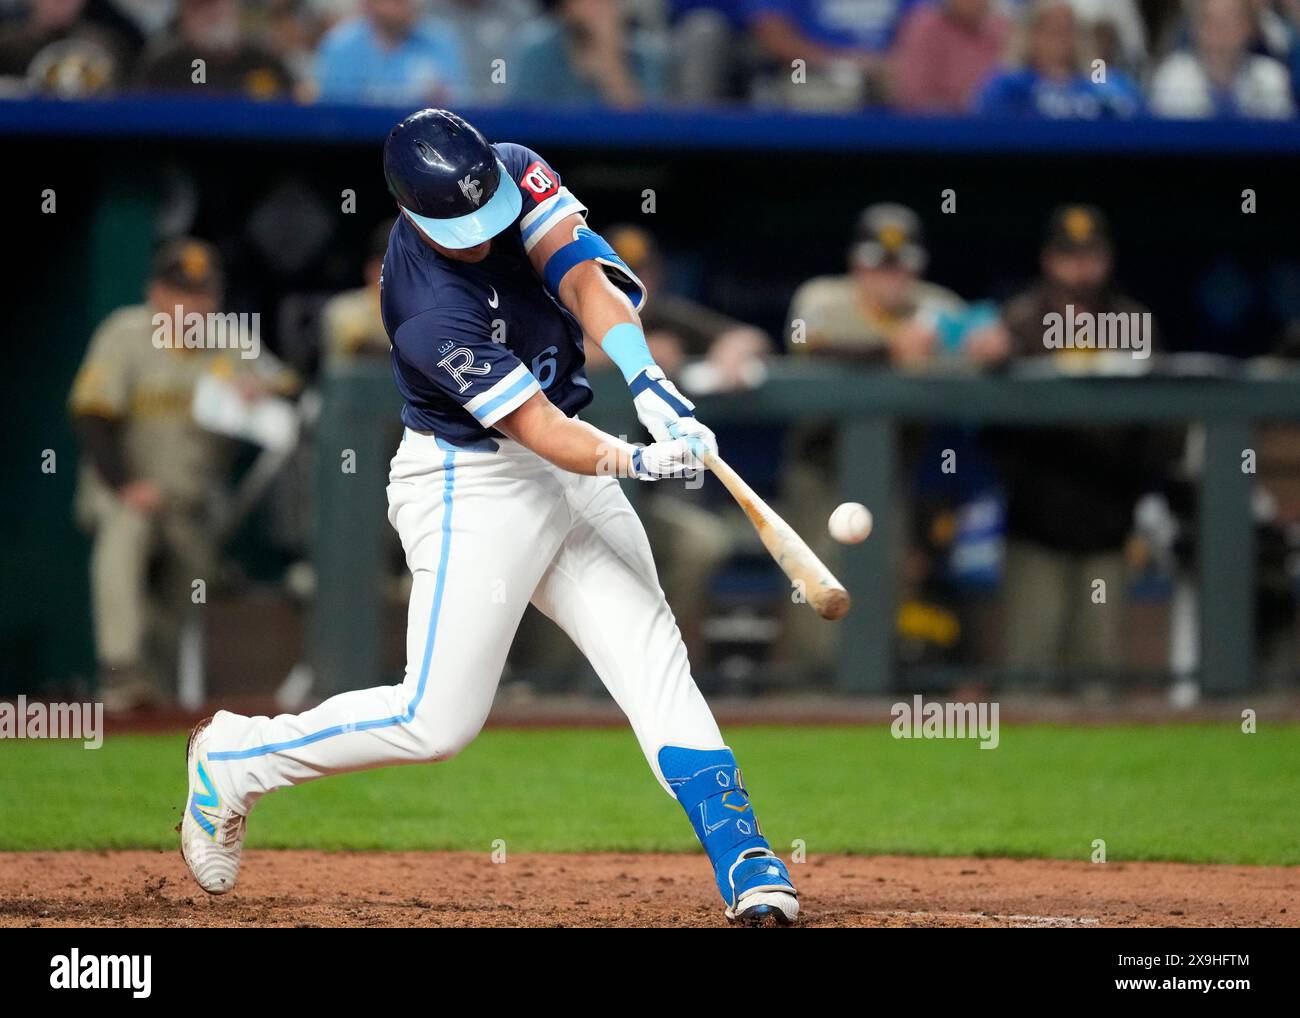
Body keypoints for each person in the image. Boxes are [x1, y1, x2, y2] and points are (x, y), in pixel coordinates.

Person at [180, 109, 799, 926]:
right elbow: (542, 430)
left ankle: (745, 860)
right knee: (435, 721)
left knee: (655, 662)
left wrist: (648, 379)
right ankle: (233, 758)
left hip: (572, 472)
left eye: (488, 213)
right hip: (471, 485)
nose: (482, 235)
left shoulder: (512, 168)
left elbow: (581, 276)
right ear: (410, 211)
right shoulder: (425, 309)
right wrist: (643, 458)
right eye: (460, 226)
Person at [782, 203, 1008, 669]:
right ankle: (811, 689)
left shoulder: (938, 307)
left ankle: (870, 698)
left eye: (900, 263)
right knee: (814, 579)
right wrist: (889, 349)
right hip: (822, 466)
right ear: (856, 262)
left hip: (893, 472)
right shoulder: (824, 298)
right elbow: (805, 346)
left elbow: (988, 346)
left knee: (883, 582)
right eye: (877, 262)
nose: (889, 274)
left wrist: (994, 348)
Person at [69, 240, 255, 711]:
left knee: (176, 616)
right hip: (125, 491)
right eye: (180, 292)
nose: (191, 304)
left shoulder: (231, 342)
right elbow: (92, 414)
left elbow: (285, 386)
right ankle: (119, 668)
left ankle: (148, 701)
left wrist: (261, 390)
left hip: (186, 506)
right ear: (156, 293)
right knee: (127, 531)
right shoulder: (125, 333)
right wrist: (126, 485)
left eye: (201, 293)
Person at [995, 205, 1175, 682]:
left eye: (1090, 255)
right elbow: (994, 429)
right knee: (1027, 674)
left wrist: (1130, 493)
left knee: (1099, 676)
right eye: (1068, 256)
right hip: (1036, 528)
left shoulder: (1133, 323)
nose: (1080, 268)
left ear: (1107, 259)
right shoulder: (1020, 322)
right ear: (1049, 260)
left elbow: (1162, 429)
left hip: (1109, 527)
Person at [973, 0, 1143, 118]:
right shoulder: (1007, 86)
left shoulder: (1106, 85)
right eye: (1050, 29)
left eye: (1068, 29)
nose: (1061, 38)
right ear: (1030, 36)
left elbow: (1140, 124)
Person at [1149, 0, 1294, 119]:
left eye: (1231, 22)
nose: (1221, 32)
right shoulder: (1172, 76)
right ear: (1194, 29)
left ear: (1249, 29)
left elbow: (1280, 142)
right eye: (1211, 22)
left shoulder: (1270, 77)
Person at [510, 0, 666, 107]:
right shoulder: (538, 52)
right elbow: (525, 120)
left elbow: (644, 128)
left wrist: (610, 59)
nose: (595, 6)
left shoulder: (647, 56)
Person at [313, 0, 468, 105]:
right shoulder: (340, 47)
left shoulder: (440, 42)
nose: (406, 4)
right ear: (368, 4)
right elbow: (334, 111)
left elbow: (461, 102)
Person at [135, 0, 294, 99]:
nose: (211, 13)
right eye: (200, 5)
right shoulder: (164, 68)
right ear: (184, 13)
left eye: (217, 4)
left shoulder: (266, 63)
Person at [890, 0, 1013, 114]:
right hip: (937, 128)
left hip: (993, 126)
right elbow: (913, 95)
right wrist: (963, 108)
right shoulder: (924, 29)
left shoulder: (1000, 30)